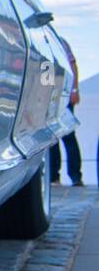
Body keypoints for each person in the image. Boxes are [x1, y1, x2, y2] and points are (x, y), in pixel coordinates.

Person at [50, 36, 82, 186]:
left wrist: (74, 89)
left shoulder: (59, 41)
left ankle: (75, 176)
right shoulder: (43, 44)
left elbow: (72, 65)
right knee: (51, 138)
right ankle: (53, 177)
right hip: (49, 98)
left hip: (64, 95)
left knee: (68, 136)